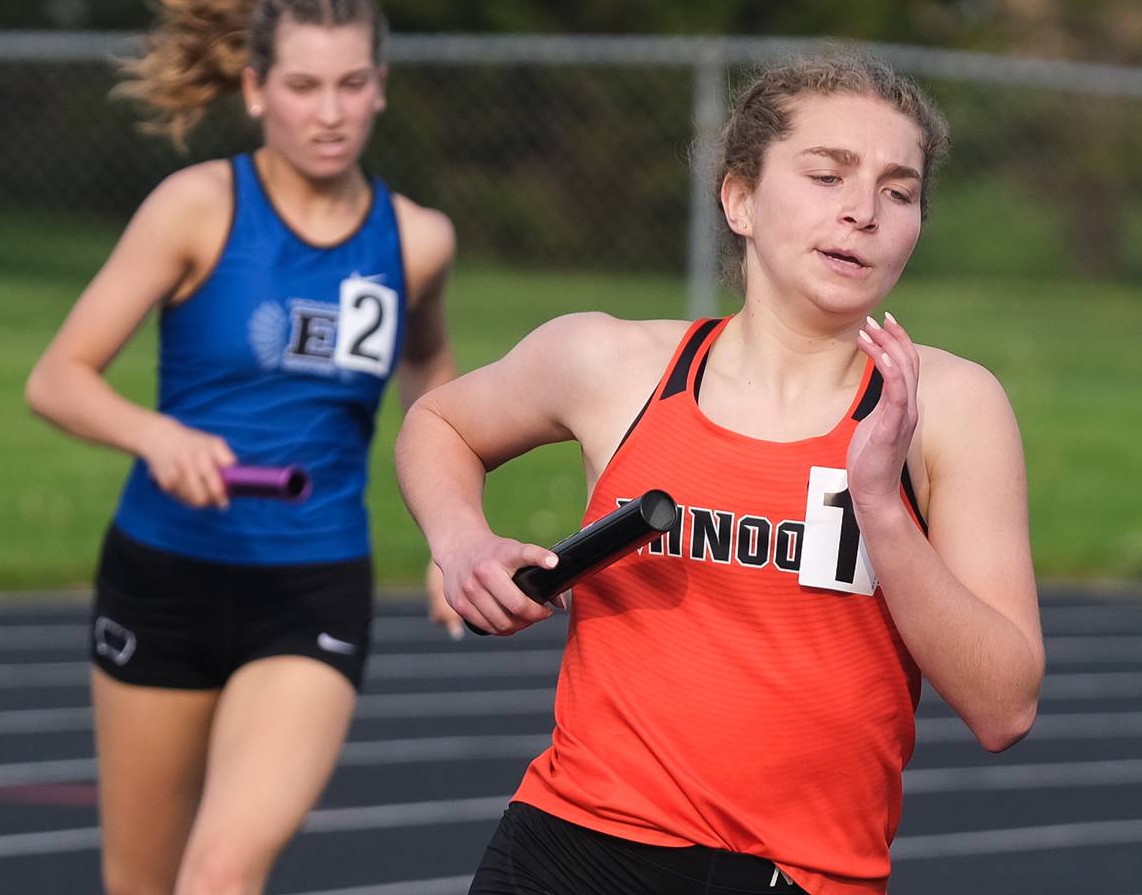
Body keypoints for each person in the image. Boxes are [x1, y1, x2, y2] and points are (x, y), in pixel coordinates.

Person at [395, 51, 1045, 895]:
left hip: (797, 874)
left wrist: (882, 506)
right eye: (826, 175)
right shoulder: (612, 362)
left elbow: (1004, 708)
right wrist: (462, 543)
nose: (862, 212)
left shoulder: (951, 407)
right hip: (572, 843)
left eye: (899, 189)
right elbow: (437, 421)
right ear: (739, 198)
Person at [24, 0, 461, 892]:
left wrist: (449, 530)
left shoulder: (417, 240)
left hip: (310, 589)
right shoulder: (195, 207)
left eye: (352, 84)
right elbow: (58, 377)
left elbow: (429, 374)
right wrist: (156, 434)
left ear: (380, 87)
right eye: (305, 87)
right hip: (163, 578)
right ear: (257, 89)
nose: (331, 112)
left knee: (221, 871)